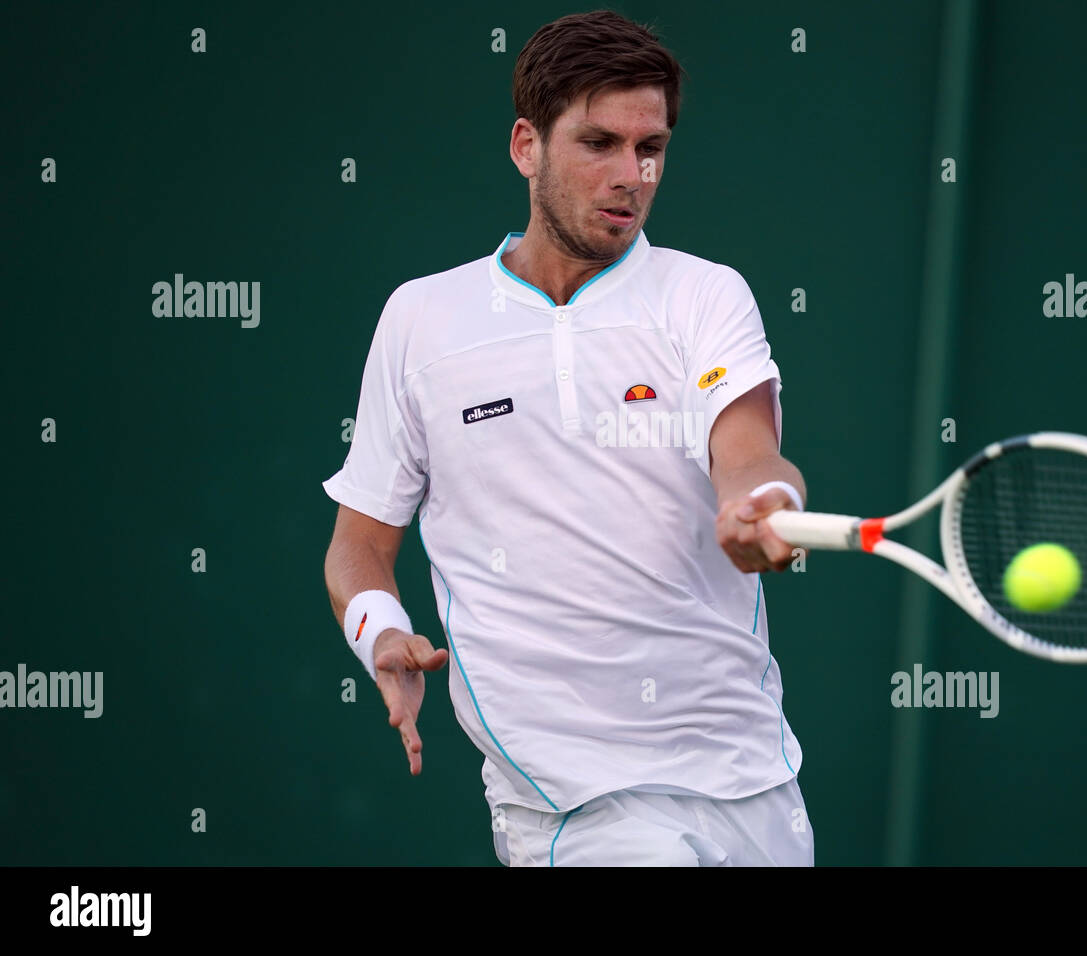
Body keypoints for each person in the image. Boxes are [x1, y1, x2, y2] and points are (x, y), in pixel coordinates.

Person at [322, 9, 812, 866]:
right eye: (599, 144)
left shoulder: (704, 295)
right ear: (526, 146)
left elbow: (748, 457)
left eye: (650, 147)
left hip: (750, 779)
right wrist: (380, 630)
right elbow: (359, 543)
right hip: (570, 800)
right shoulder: (422, 320)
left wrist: (762, 506)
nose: (632, 174)